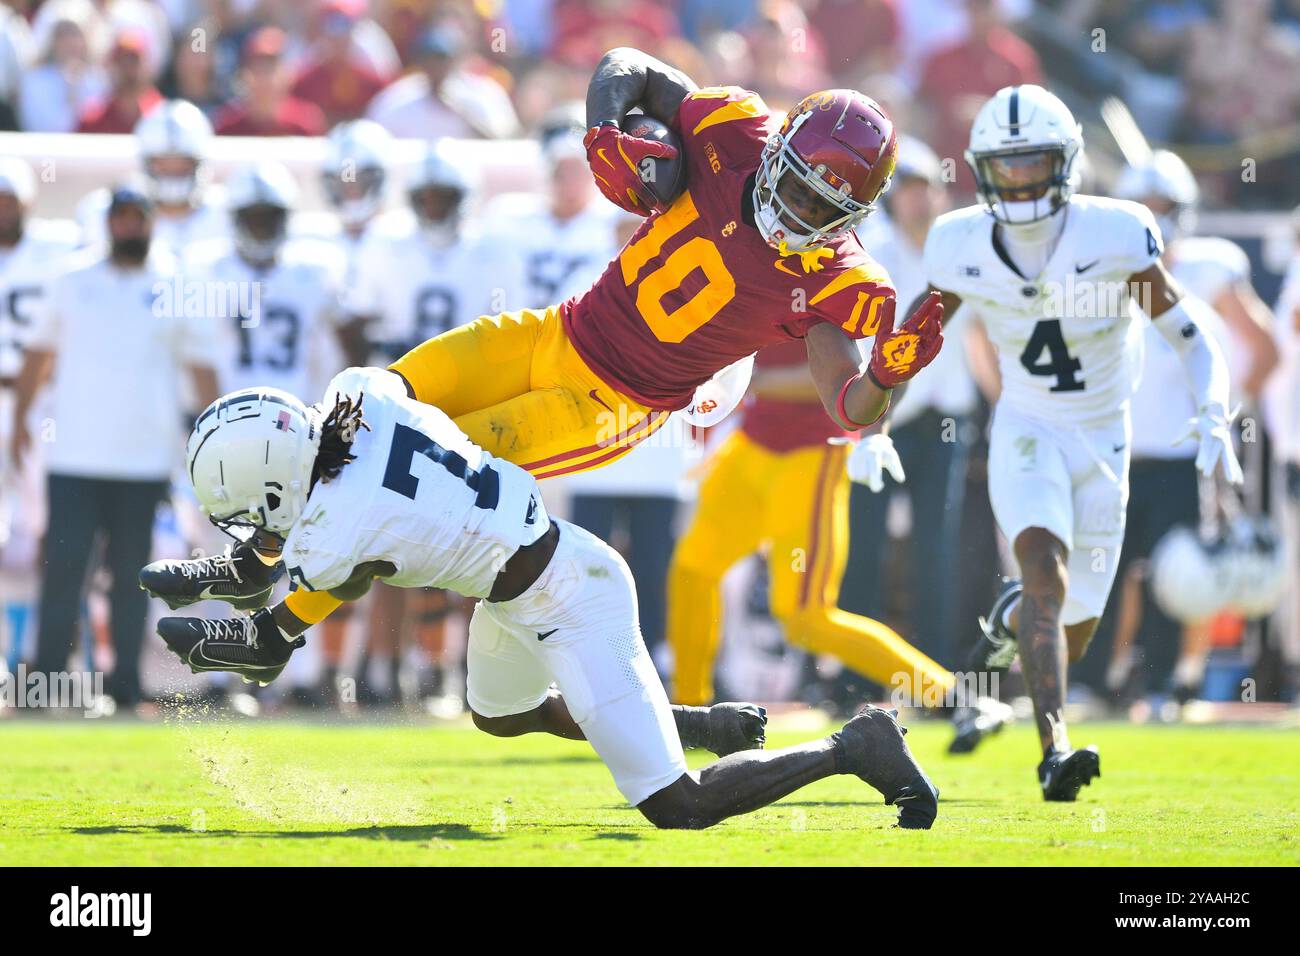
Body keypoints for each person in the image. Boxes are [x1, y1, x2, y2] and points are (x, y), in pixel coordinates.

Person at [148, 46, 946, 641]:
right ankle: (252, 567)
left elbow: (850, 403)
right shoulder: (737, 128)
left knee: (396, 479)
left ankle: (272, 632)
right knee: (363, 405)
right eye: (799, 180)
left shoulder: (846, 279)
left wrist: (887, 374)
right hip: (554, 330)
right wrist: (604, 128)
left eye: (822, 202)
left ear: (854, 213)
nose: (799, 208)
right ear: (782, 147)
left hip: (605, 404)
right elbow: (627, 64)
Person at [140, 368, 939, 829]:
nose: (251, 526)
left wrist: (253, 625)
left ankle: (854, 747)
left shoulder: (337, 529)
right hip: (520, 583)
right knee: (498, 714)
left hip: (570, 599)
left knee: (676, 807)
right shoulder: (359, 398)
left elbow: (297, 596)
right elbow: (305, 539)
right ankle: (698, 723)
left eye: (249, 508)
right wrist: (232, 580)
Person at [919, 85, 1241, 800]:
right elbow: (910, 345)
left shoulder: (1114, 234)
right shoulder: (960, 242)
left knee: (1073, 629)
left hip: (1105, 436)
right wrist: (870, 421)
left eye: (1034, 163)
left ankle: (1002, 633)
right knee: (1046, 574)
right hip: (1028, 425)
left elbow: (1191, 337)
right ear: (981, 171)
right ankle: (1054, 750)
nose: (1022, 180)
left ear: (1065, 163)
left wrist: (1215, 408)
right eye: (1007, 167)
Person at [667, 338, 992, 721]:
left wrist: (744, 381)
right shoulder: (759, 278)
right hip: (753, 443)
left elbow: (842, 379)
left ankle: (949, 696)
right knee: (693, 571)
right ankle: (688, 713)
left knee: (806, 617)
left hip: (813, 453)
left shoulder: (836, 282)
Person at [8, 184, 219, 711]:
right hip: (74, 456)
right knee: (64, 571)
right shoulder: (73, 278)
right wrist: (19, 421)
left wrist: (218, 429)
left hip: (144, 457)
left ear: (150, 222)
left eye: (138, 217)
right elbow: (37, 353)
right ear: (109, 223)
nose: (130, 226)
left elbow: (201, 363)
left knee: (133, 577)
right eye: (121, 217)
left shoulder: (176, 281)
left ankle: (124, 683)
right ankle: (47, 683)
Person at [1090, 150, 1279, 704]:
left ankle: (1165, 684)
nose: (1153, 215)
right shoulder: (1098, 269)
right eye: (1142, 205)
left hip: (1178, 453)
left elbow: (1261, 348)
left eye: (1163, 205)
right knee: (1103, 570)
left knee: (1180, 577)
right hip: (1115, 449)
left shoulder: (1206, 270)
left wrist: (1220, 413)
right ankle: (1096, 683)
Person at [78, 99, 228, 257]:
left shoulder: (227, 212)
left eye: (182, 164)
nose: (172, 171)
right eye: (162, 164)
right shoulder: (105, 212)